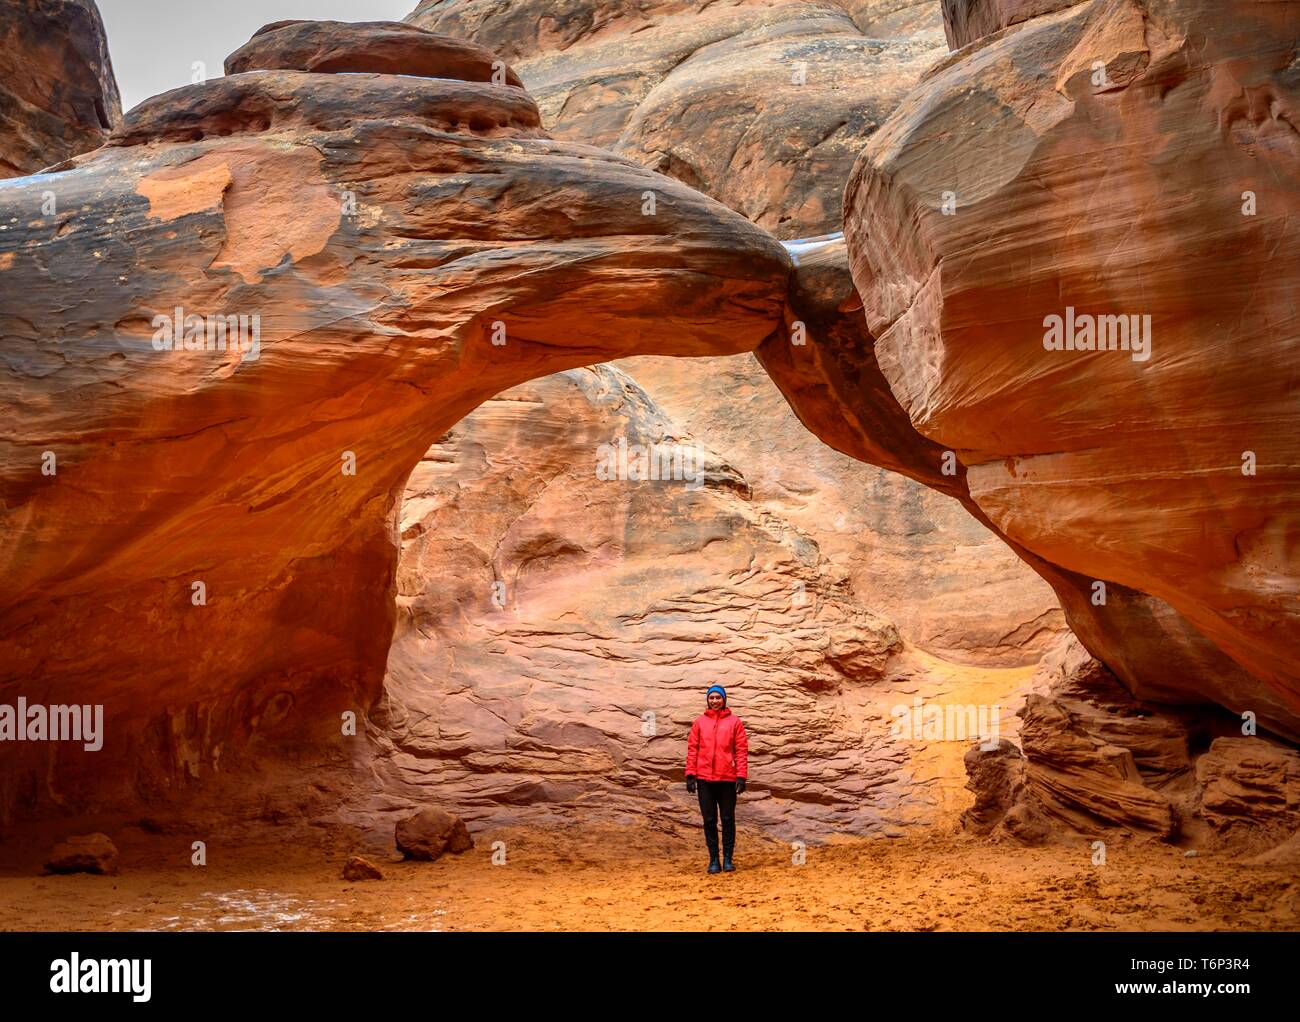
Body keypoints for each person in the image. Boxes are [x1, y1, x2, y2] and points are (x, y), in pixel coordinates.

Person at [685, 684, 748, 874]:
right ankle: (714, 860)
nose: (714, 701)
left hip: (727, 779)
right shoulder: (699, 723)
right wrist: (690, 774)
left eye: (718, 698)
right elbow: (692, 749)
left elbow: (741, 750)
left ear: (724, 700)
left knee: (728, 819)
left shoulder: (735, 722)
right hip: (704, 779)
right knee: (709, 820)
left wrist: (741, 776)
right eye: (711, 698)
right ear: (707, 700)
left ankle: (728, 859)